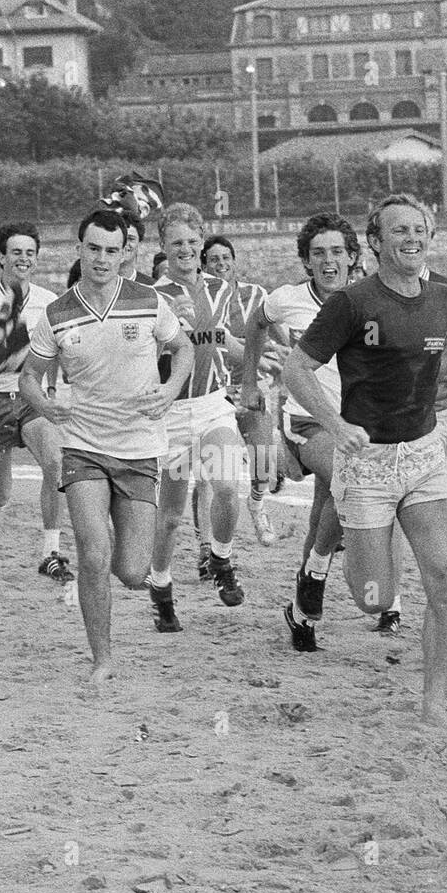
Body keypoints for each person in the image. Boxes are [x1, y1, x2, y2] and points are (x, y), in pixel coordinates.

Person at [282, 195, 447, 722]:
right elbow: (296, 370)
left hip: (424, 455)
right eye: (399, 231)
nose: (411, 239)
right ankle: (326, 566)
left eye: (419, 229)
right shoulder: (351, 303)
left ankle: (433, 700)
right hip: (365, 464)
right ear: (375, 242)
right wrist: (334, 423)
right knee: (374, 598)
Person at [19, 208, 192, 687]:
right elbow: (29, 377)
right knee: (92, 555)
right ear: (79, 250)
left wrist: (172, 387)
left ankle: (124, 552)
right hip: (84, 448)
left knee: (134, 572)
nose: (101, 258)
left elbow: (184, 350)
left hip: (139, 450)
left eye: (111, 251)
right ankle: (103, 659)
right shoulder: (56, 314)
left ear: (125, 253)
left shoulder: (149, 302)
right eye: (92, 249)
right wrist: (47, 407)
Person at [241, 213, 358, 652]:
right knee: (349, 477)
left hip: (358, 422)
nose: (329, 262)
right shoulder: (287, 299)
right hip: (307, 421)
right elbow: (256, 323)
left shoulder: (369, 299)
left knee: (326, 508)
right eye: (318, 254)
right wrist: (251, 381)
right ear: (306, 262)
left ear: (353, 257)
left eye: (337, 253)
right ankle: (316, 573)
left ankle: (302, 609)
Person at [148, 202, 250, 632]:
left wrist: (237, 348)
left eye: (192, 241)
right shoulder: (152, 296)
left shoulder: (222, 290)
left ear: (203, 240)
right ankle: (161, 586)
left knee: (227, 484)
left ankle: (221, 558)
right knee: (170, 515)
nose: (186, 249)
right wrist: (169, 342)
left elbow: (244, 351)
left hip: (212, 404)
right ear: (163, 246)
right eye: (176, 243)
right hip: (172, 413)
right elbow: (141, 362)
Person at [0, 222, 72, 583]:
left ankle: (51, 552)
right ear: (1, 257)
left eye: (29, 253)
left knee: (56, 461)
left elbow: (56, 352)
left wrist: (51, 389)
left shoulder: (48, 302)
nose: (23, 259)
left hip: (31, 399)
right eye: (16, 252)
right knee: (1, 493)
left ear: (36, 259)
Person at [202, 233, 280, 549]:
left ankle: (258, 506)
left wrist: (287, 351)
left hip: (251, 389)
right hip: (214, 391)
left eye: (225, 258)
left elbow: (277, 336)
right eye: (214, 260)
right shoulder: (201, 300)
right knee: (217, 474)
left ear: (234, 262)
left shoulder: (256, 294)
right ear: (203, 265)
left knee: (264, 456)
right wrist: (254, 349)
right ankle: (208, 547)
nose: (221, 264)